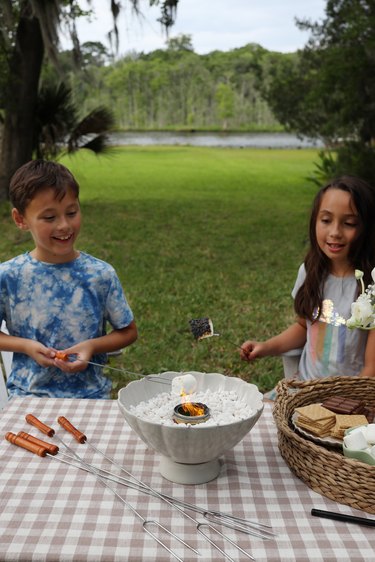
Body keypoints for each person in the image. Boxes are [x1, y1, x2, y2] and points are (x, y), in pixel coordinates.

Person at [0, 159, 137, 398]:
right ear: (20, 219)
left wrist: (92, 346)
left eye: (71, 212)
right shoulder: (9, 276)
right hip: (27, 396)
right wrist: (25, 346)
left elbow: (128, 332)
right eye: (49, 218)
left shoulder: (100, 274)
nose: (64, 225)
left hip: (90, 396)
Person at [240, 176, 375, 385]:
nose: (335, 232)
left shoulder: (371, 287)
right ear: (315, 221)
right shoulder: (310, 271)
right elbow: (304, 327)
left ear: (367, 228)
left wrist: (344, 407)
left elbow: (371, 369)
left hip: (352, 400)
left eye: (349, 223)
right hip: (304, 389)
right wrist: (266, 346)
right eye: (326, 220)